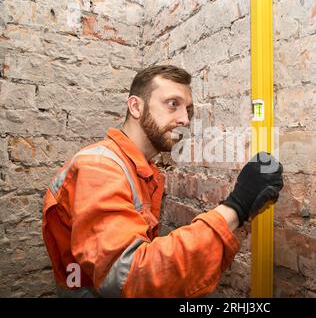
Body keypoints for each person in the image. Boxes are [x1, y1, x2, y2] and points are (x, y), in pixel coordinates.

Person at [42, 65, 284, 298]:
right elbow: (129, 278)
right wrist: (236, 207)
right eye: (173, 104)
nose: (185, 120)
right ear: (136, 107)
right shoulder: (99, 167)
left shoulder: (141, 169)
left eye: (187, 110)